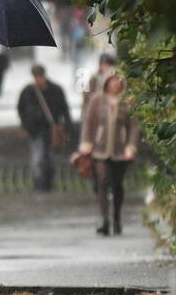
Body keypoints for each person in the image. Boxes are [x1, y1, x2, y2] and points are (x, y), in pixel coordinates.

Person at [77, 72, 139, 235]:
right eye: (112, 81)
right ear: (106, 83)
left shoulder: (128, 101)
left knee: (117, 185)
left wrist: (131, 146)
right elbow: (88, 122)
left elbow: (133, 127)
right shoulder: (97, 100)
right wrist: (86, 142)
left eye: (118, 81)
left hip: (120, 152)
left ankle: (116, 217)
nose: (115, 84)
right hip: (99, 150)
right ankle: (104, 219)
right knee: (102, 182)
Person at [17, 64, 71, 192]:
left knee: (49, 158)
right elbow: (21, 108)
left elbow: (64, 109)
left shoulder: (55, 90)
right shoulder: (29, 91)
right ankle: (39, 183)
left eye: (39, 76)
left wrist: (67, 127)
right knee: (37, 157)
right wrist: (26, 124)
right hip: (35, 130)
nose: (38, 79)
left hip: (51, 129)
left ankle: (47, 182)